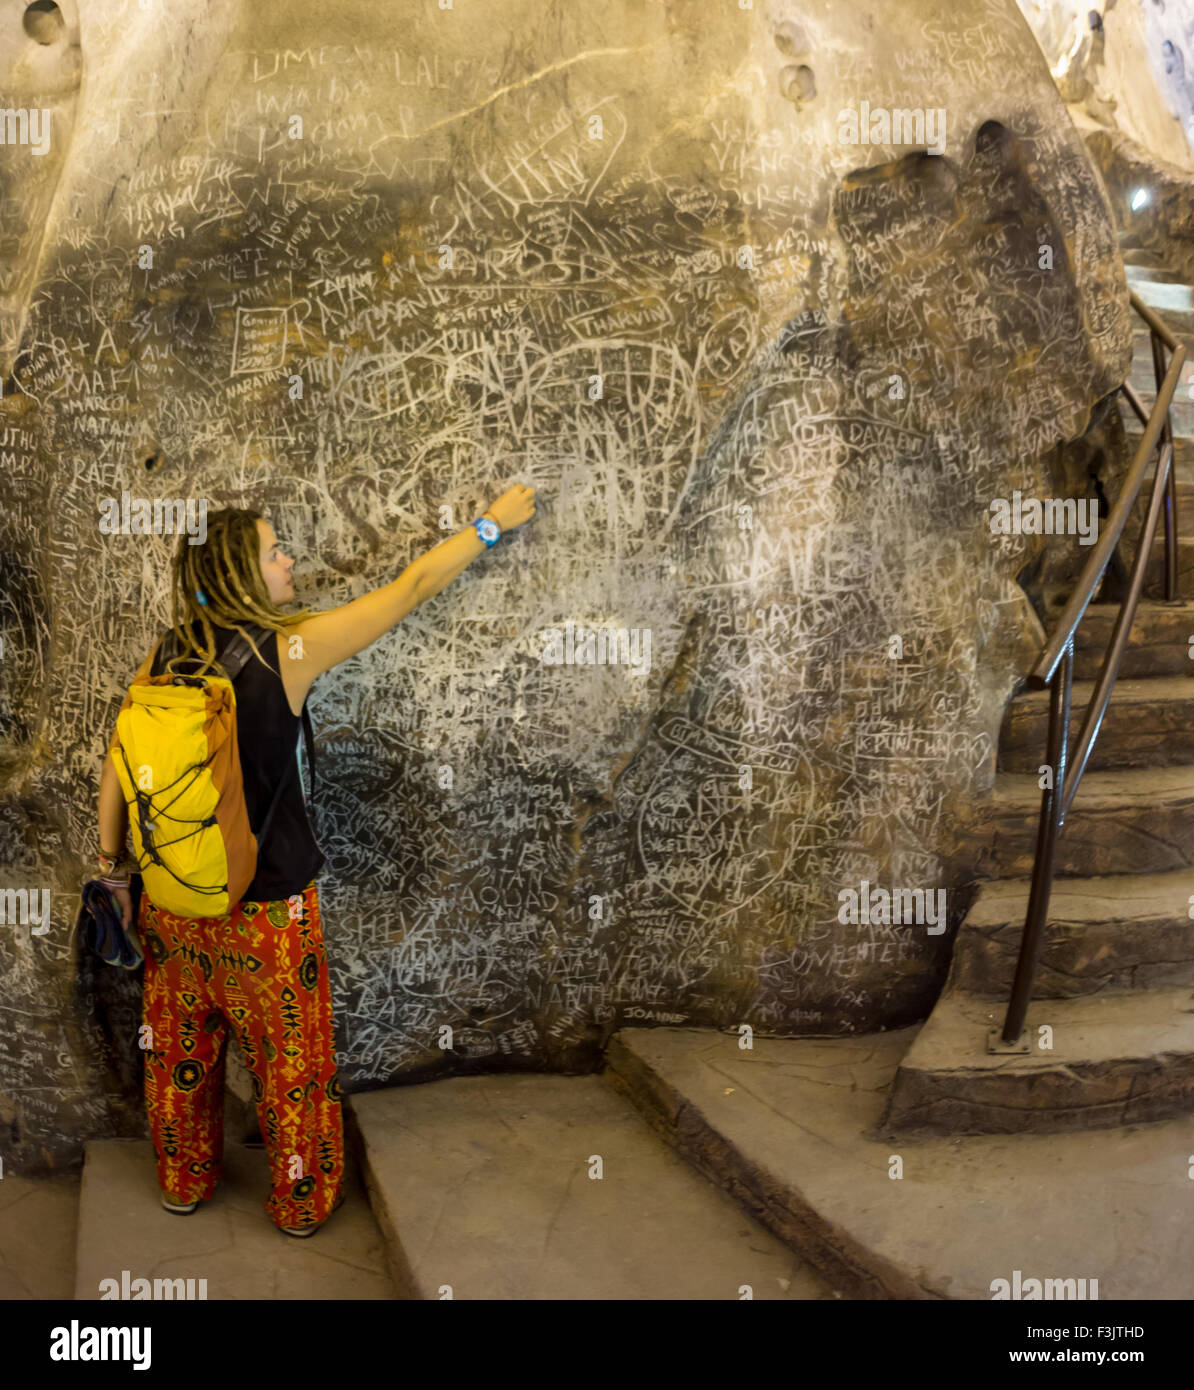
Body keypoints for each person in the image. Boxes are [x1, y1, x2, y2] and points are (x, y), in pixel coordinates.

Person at [95, 484, 536, 1236]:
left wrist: (113, 874)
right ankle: (299, 1202)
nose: (289, 562)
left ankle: (183, 1179)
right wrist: (490, 525)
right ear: (242, 571)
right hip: (268, 913)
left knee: (178, 1055)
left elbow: (116, 768)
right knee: (291, 1065)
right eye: (275, 552)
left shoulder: (167, 654)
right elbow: (410, 589)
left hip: (174, 902)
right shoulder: (288, 652)